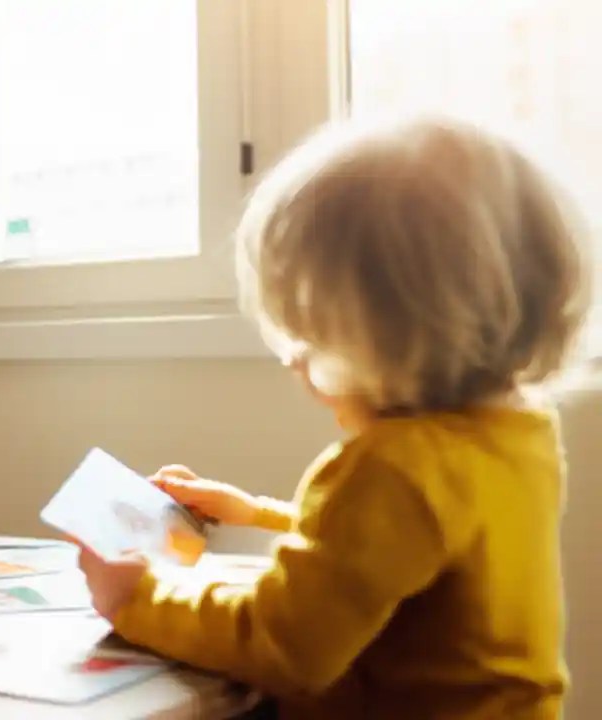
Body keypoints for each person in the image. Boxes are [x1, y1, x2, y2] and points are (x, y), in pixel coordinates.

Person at [75, 115, 593, 719]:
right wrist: (255, 513)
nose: (295, 362)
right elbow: (402, 549)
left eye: (309, 335)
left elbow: (282, 645)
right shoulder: (516, 433)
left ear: (392, 332)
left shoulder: (396, 465)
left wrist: (136, 597)